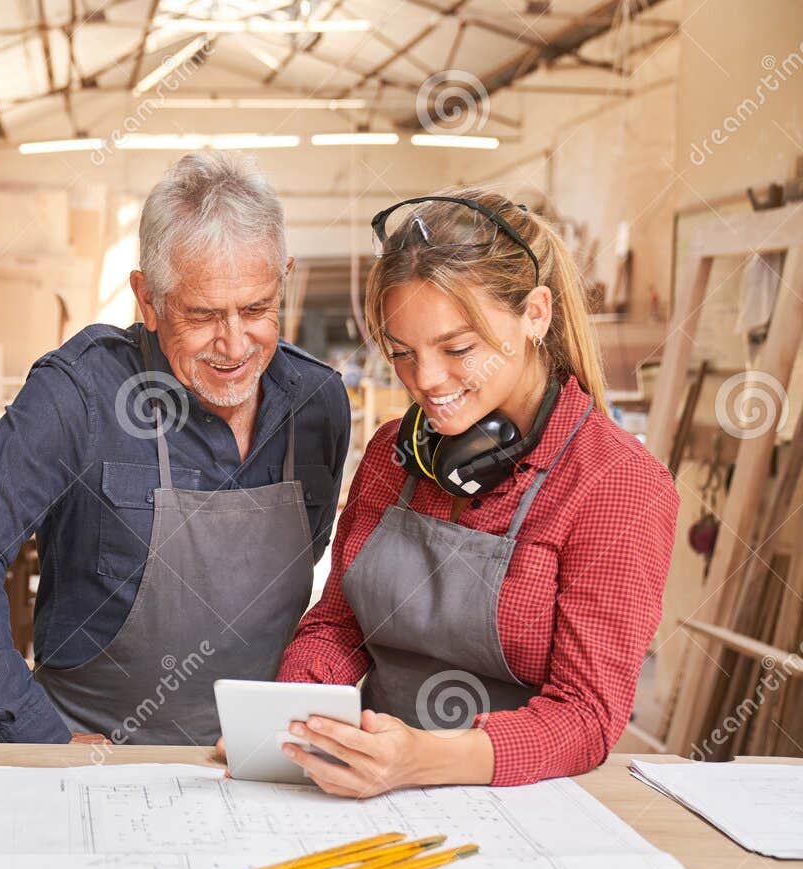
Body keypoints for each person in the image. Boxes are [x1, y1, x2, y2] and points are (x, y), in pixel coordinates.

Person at [227, 189, 677, 797]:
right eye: (403, 354)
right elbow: (339, 624)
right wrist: (293, 725)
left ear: (536, 314)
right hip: (368, 788)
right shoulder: (396, 452)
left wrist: (421, 760)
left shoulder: (616, 484)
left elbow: (586, 715)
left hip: (524, 806)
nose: (427, 381)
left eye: (458, 348)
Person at [0, 151, 350, 745]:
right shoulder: (82, 393)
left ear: (282, 279)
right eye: (202, 315)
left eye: (256, 309)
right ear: (147, 299)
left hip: (254, 757)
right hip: (94, 763)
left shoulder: (317, 403)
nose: (236, 344)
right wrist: (34, 736)